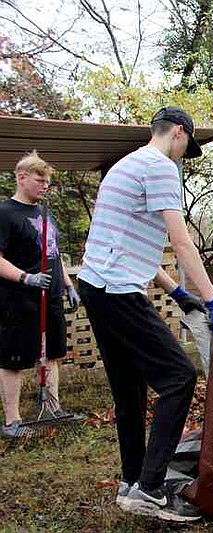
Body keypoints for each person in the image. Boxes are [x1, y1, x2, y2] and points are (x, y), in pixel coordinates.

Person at [77, 106, 213, 522]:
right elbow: (182, 244)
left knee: (129, 389)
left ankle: (132, 481)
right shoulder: (161, 166)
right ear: (178, 133)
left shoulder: (126, 165)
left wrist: (179, 293)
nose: (184, 155)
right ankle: (150, 488)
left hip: (96, 284)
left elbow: (136, 243)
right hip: (118, 289)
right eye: (187, 147)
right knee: (179, 379)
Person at [0, 152, 80, 439]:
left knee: (52, 355)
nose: (45, 186)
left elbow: (54, 255)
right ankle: (12, 421)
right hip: (17, 299)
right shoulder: (5, 214)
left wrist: (68, 285)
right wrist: (26, 277)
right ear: (22, 177)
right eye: (40, 180)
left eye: (48, 182)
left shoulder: (46, 213)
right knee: (14, 359)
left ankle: (52, 407)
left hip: (52, 296)